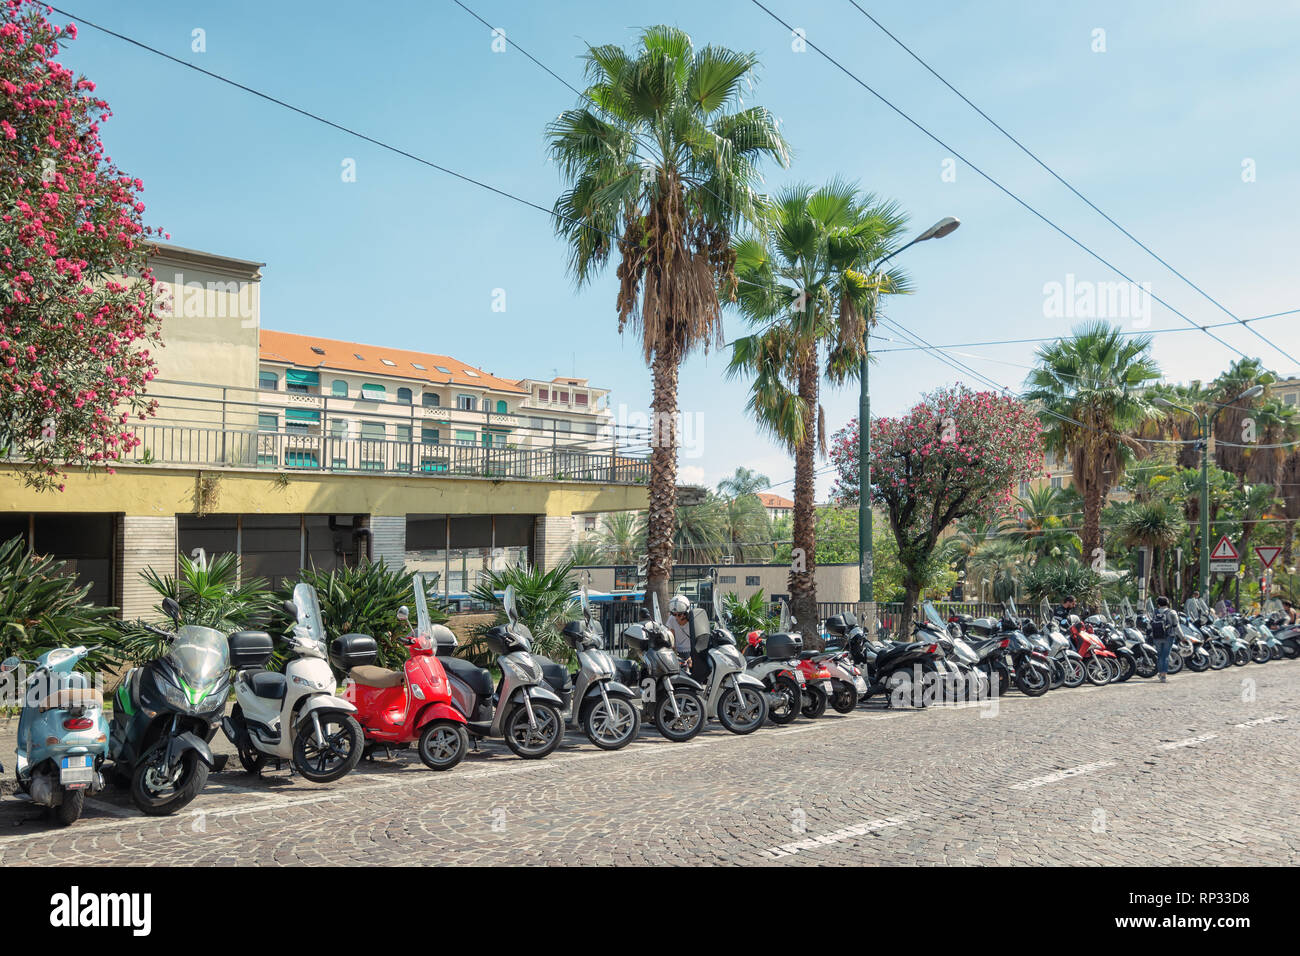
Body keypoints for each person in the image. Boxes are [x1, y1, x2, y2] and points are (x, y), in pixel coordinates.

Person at [1150, 595, 1178, 682]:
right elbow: (1176, 625)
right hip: (1169, 636)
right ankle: (1163, 676)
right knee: (1165, 656)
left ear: (1158, 604)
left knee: (1159, 656)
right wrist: (1182, 637)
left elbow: (1150, 624)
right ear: (1167, 603)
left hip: (1157, 636)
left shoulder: (1154, 612)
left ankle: (1160, 672)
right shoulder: (1172, 612)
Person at [665, 594, 695, 670]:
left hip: (692, 652)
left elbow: (698, 639)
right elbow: (672, 638)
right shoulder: (672, 619)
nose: (676, 617)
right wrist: (674, 654)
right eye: (674, 614)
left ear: (686, 613)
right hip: (678, 652)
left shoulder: (693, 620)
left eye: (679, 614)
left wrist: (693, 657)